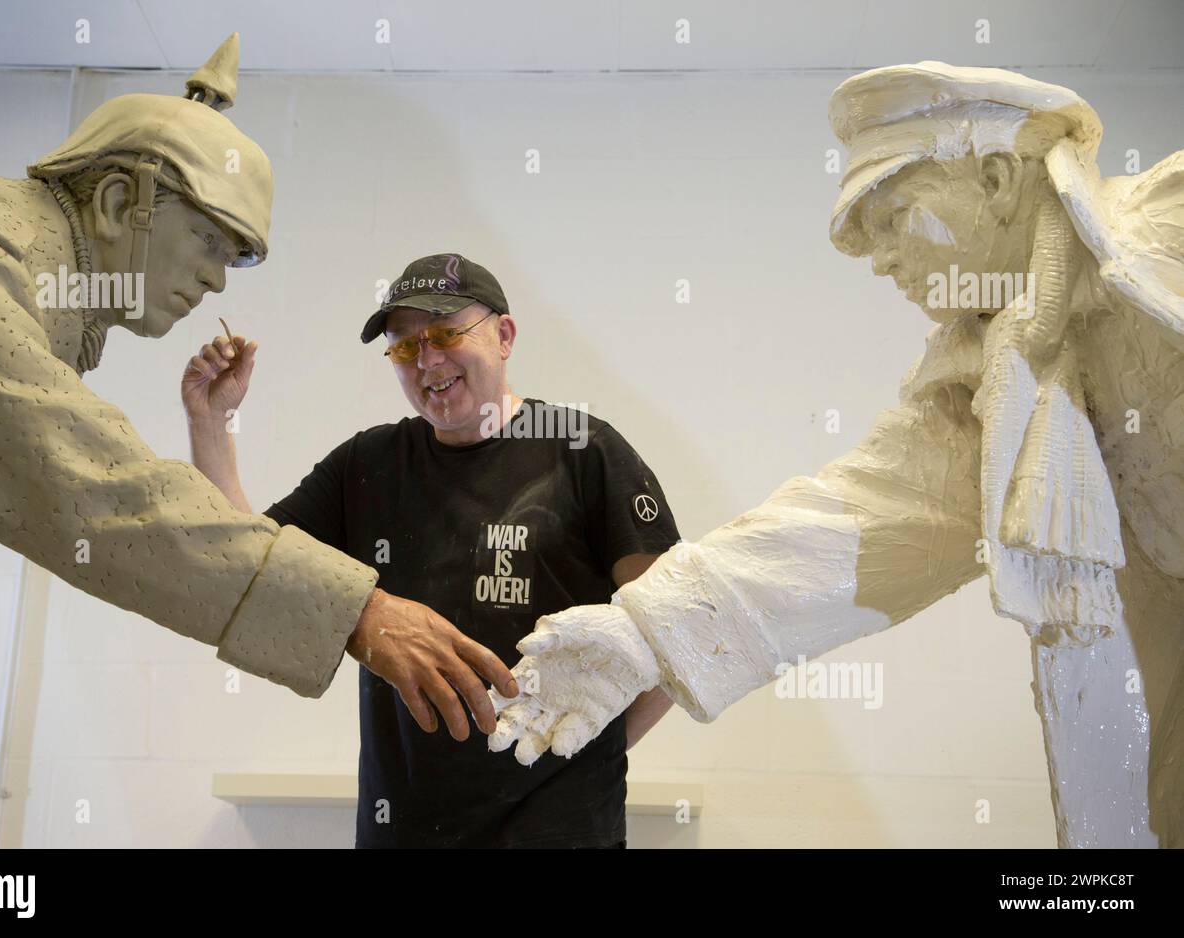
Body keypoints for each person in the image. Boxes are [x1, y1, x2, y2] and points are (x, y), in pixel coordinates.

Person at [489, 62, 1184, 848]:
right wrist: (644, 633)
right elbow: (859, 521)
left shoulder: (1169, 227)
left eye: (893, 218)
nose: (880, 260)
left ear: (994, 180)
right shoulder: (991, 379)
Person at [0, 35, 482, 709]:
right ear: (118, 203)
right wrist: (357, 611)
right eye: (207, 240)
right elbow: (99, 493)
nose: (217, 281)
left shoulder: (21, 295)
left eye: (232, 256)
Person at [184, 253, 681, 847]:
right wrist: (211, 423)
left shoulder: (584, 452)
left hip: (562, 833)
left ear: (504, 335)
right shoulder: (367, 466)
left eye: (445, 334)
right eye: (404, 346)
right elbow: (246, 569)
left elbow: (674, 632)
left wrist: (587, 748)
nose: (426, 360)